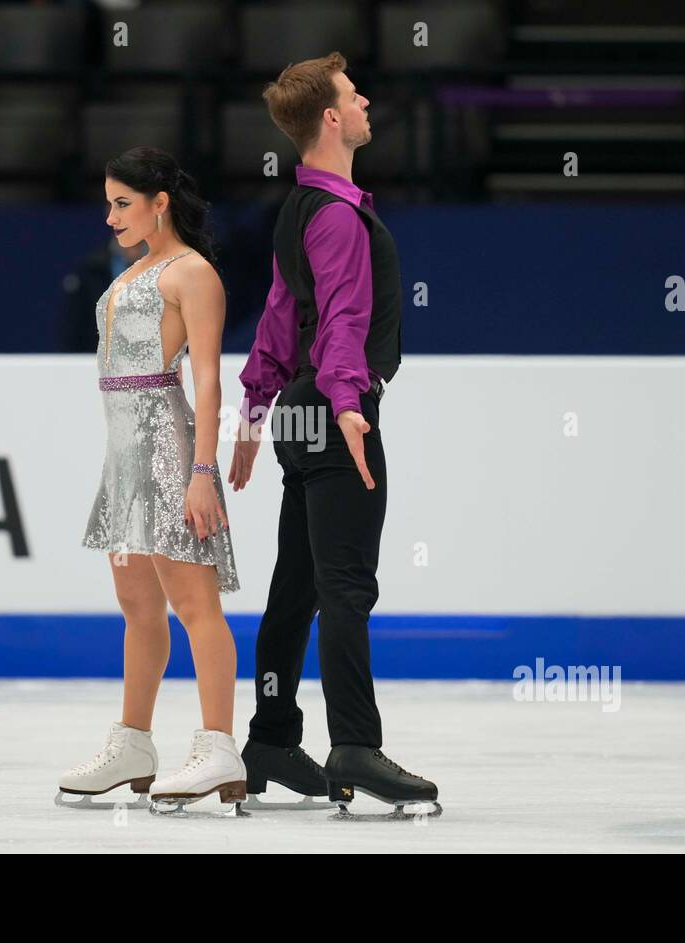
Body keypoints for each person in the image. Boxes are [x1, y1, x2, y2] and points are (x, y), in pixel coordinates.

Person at [228, 52, 439, 815]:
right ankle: (353, 743)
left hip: (298, 411)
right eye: (354, 96)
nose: (366, 102)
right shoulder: (340, 217)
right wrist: (350, 401)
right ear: (329, 119)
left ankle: (272, 738)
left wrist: (256, 409)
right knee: (346, 588)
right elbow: (343, 318)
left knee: (299, 585)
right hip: (334, 408)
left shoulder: (300, 209)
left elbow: (281, 318)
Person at [58, 146, 245, 812]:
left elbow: (209, 379)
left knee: (196, 605)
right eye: (108, 202)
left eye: (122, 202)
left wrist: (201, 471)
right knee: (139, 606)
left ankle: (219, 744)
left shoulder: (192, 273)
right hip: (125, 457)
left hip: (170, 450)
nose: (110, 216)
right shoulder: (134, 271)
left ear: (159, 202)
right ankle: (135, 742)